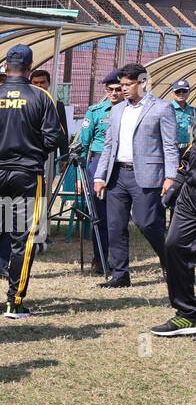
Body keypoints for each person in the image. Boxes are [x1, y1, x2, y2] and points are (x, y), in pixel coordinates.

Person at [0, 44, 62, 319]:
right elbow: (54, 138)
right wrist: (34, 151)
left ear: (5, 67)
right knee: (23, 238)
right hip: (27, 175)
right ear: (30, 68)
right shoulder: (41, 97)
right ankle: (14, 302)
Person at [93, 62, 178, 288]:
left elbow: (170, 146)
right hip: (117, 175)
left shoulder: (162, 108)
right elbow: (109, 145)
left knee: (147, 222)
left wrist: (170, 176)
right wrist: (100, 177)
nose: (124, 89)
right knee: (115, 225)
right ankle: (120, 275)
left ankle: (172, 263)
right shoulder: (118, 109)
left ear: (142, 83)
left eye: (129, 84)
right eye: (122, 85)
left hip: (148, 175)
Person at [76, 71, 123, 274]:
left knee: (118, 217)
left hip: (120, 165)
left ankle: (119, 261)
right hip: (97, 164)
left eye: (118, 89)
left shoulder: (130, 111)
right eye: (110, 90)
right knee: (99, 215)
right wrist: (81, 177)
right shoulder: (95, 112)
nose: (114, 93)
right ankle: (100, 258)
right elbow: (83, 146)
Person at [155, 141, 196, 336]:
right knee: (174, 245)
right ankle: (187, 313)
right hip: (190, 195)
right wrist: (176, 185)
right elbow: (189, 156)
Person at [30, 68, 69, 157]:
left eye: (42, 82)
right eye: (35, 83)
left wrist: (64, 156)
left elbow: (62, 131)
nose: (39, 85)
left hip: (50, 153)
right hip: (29, 152)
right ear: (30, 84)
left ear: (48, 83)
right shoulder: (24, 103)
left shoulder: (56, 105)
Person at [171, 78, 192, 151]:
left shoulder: (193, 111)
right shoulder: (167, 109)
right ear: (173, 93)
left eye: (184, 91)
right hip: (172, 149)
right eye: (178, 91)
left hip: (188, 149)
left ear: (189, 92)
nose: (181, 93)